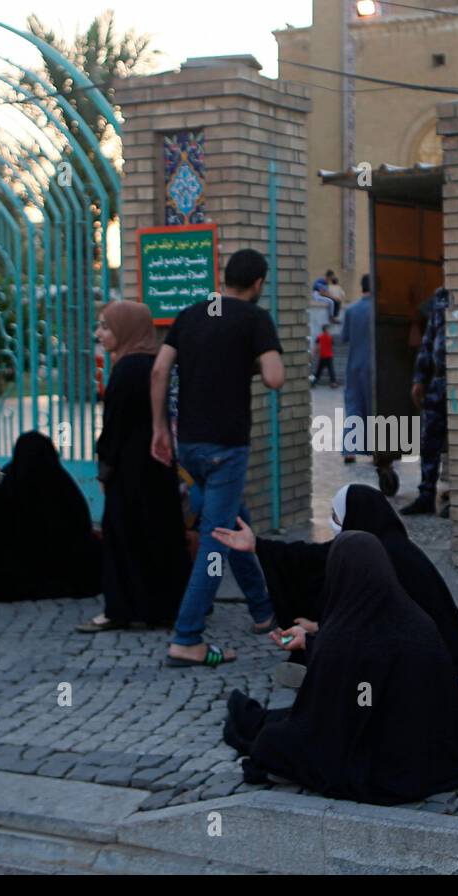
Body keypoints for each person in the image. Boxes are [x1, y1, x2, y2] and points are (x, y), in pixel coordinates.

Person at [222, 531, 458, 805]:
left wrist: (316, 645)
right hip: (432, 754)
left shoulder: (346, 636)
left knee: (269, 743)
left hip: (383, 765)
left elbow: (330, 713)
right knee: (278, 722)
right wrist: (312, 642)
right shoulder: (416, 620)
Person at [151, 248, 284, 668]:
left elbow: (159, 371)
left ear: (225, 279)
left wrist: (158, 428)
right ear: (259, 283)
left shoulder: (190, 314)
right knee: (216, 539)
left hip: (189, 444)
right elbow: (275, 377)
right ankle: (186, 637)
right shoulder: (255, 320)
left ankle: (263, 610)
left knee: (231, 520)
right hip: (227, 448)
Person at [213, 483, 458, 675]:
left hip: (419, 656)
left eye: (337, 516)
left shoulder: (388, 559)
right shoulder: (377, 545)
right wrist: (257, 545)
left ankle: (319, 663)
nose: (333, 522)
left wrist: (318, 634)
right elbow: (311, 558)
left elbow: (373, 626)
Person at [78, 301, 190, 632]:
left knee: (123, 538)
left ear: (126, 330)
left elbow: (114, 427)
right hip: (156, 468)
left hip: (130, 473)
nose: (99, 333)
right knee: (160, 535)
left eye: (106, 327)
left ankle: (120, 609)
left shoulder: (126, 370)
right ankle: (165, 607)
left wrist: (105, 469)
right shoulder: (153, 363)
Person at [0, 431, 102, 602]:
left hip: (16, 571)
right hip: (59, 565)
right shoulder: (60, 483)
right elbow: (79, 527)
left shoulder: (9, 480)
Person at [401, 286, 450, 517]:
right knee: (429, 440)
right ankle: (426, 495)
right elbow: (428, 340)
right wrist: (419, 378)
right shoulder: (440, 298)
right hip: (438, 383)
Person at [339, 275, 374, 464]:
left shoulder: (351, 310)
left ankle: (349, 451)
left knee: (353, 406)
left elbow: (344, 337)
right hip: (375, 366)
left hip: (354, 365)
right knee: (375, 407)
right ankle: (379, 450)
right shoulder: (378, 309)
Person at [312, 323, 338, 388]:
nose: (329, 330)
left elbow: (317, 346)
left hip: (323, 356)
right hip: (329, 356)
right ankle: (333, 383)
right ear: (326, 330)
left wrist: (314, 354)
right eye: (328, 329)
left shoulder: (319, 337)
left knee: (319, 370)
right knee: (331, 370)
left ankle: (314, 382)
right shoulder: (330, 337)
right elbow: (332, 346)